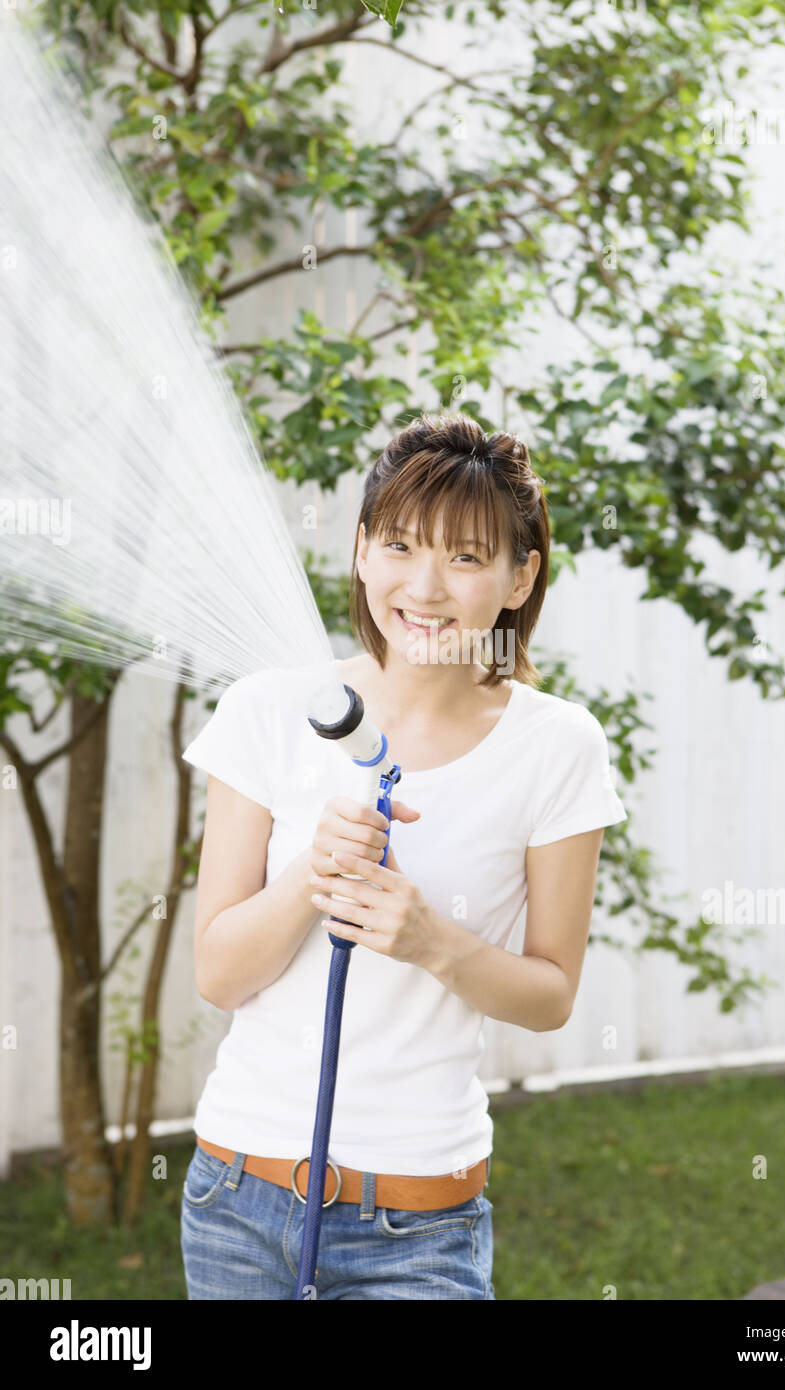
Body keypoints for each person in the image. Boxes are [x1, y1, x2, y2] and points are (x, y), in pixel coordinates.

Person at [178, 412, 628, 1299]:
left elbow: (550, 997)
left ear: (519, 576)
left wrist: (431, 941)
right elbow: (219, 976)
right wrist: (314, 873)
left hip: (418, 1226)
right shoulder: (270, 710)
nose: (424, 587)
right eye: (400, 545)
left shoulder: (558, 745)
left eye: (465, 557)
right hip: (237, 1201)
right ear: (359, 552)